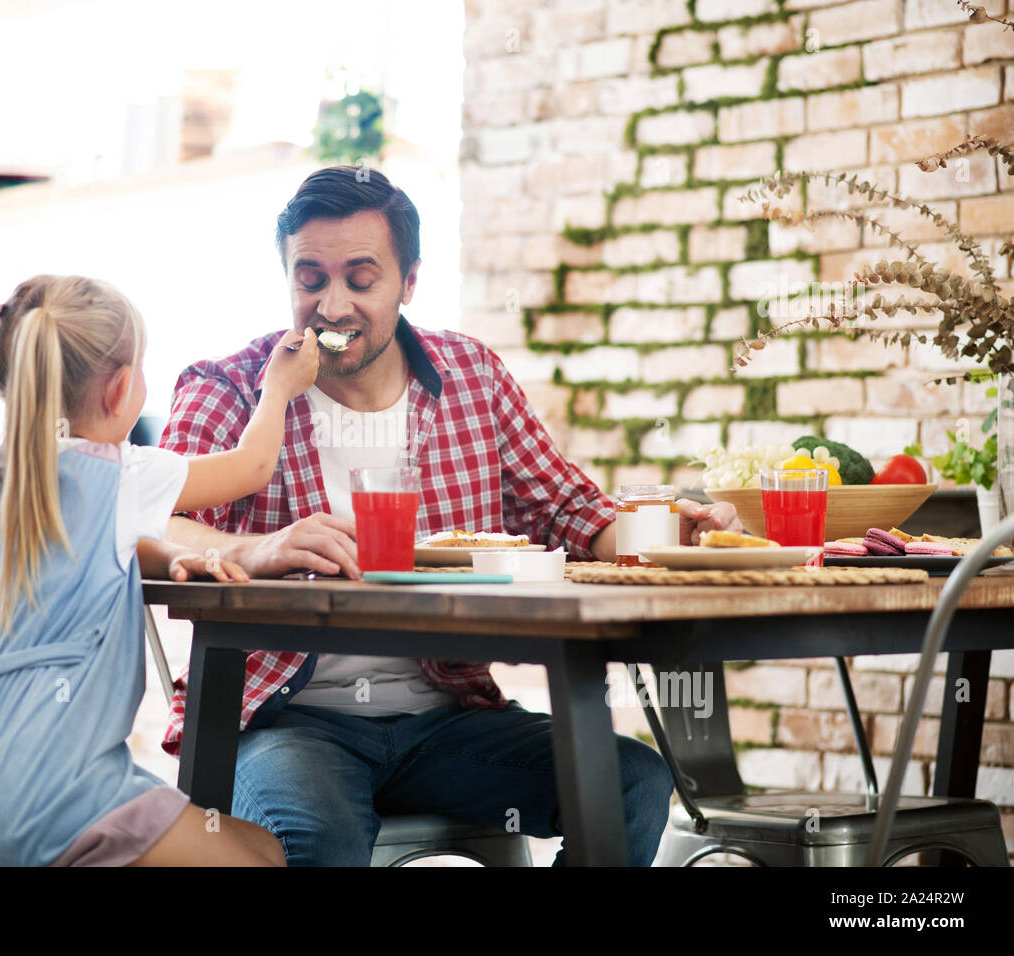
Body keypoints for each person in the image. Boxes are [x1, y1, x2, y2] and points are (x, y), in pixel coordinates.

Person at [161, 167, 742, 866]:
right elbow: (150, 522)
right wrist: (255, 547)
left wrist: (671, 530)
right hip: (285, 720)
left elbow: (570, 512)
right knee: (318, 834)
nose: (332, 305)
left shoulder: (471, 376)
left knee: (633, 783)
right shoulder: (229, 385)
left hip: (444, 721)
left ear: (408, 283)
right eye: (310, 278)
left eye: (360, 278)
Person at [0, 273, 319, 866]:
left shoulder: (0, 477)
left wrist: (165, 553)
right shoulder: (120, 474)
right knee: (266, 856)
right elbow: (253, 465)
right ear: (119, 392)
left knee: (246, 845)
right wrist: (278, 388)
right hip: (64, 797)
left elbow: (80, 550)